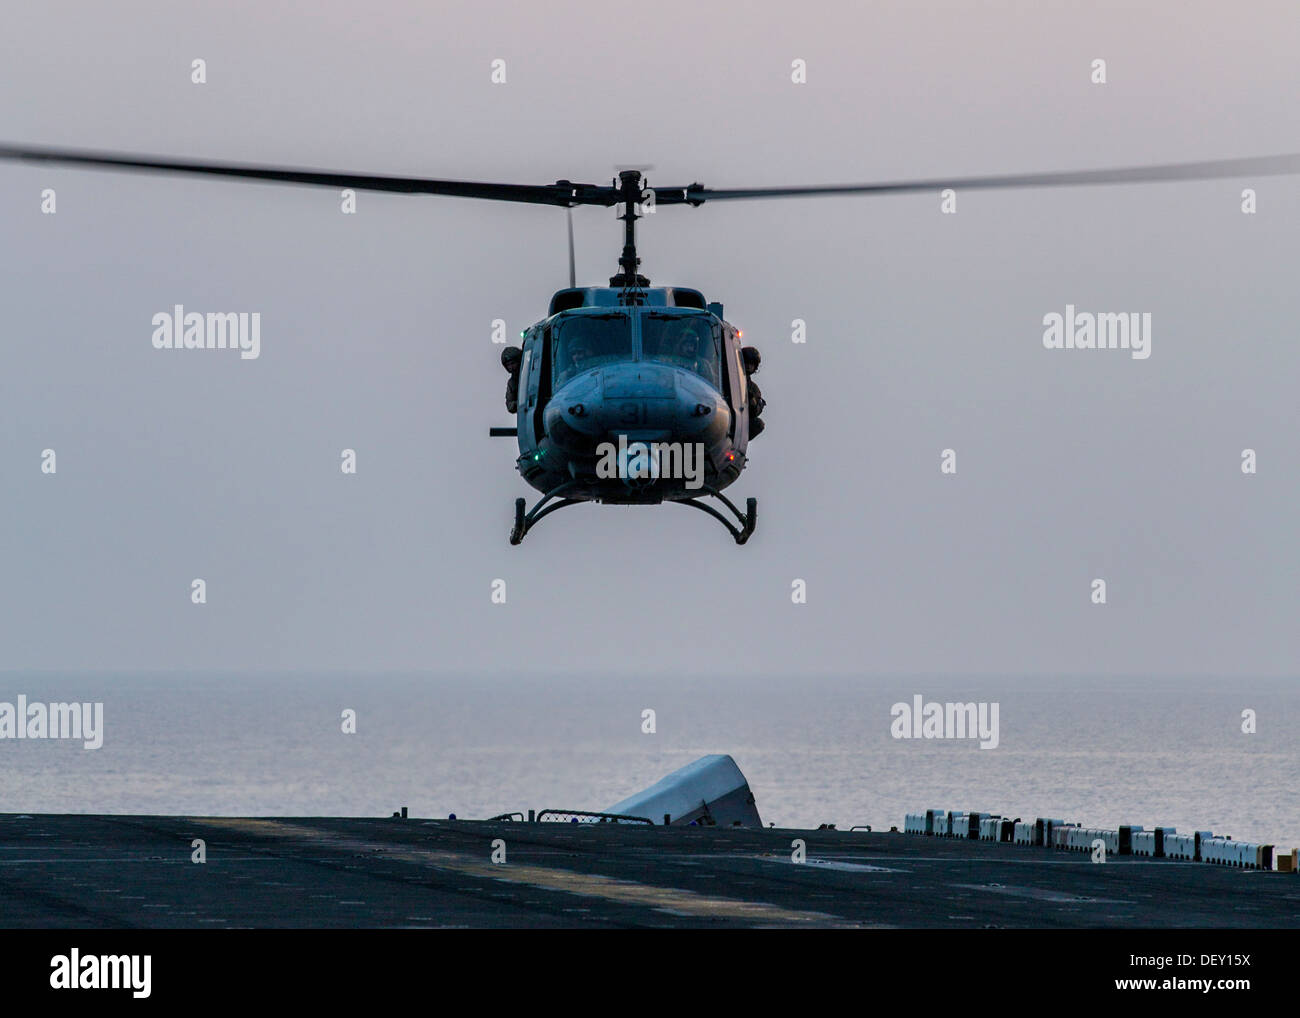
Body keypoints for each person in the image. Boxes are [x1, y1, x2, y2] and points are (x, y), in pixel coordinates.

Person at [742, 345, 765, 438]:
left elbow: (756, 411)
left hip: (735, 421)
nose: (748, 366)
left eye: (751, 364)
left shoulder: (753, 389)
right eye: (746, 362)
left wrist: (751, 399)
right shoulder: (725, 374)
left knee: (759, 424)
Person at [501, 345, 522, 413]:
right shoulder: (512, 383)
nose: (511, 367)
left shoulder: (529, 372)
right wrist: (517, 403)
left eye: (513, 363)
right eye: (508, 365)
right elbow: (510, 405)